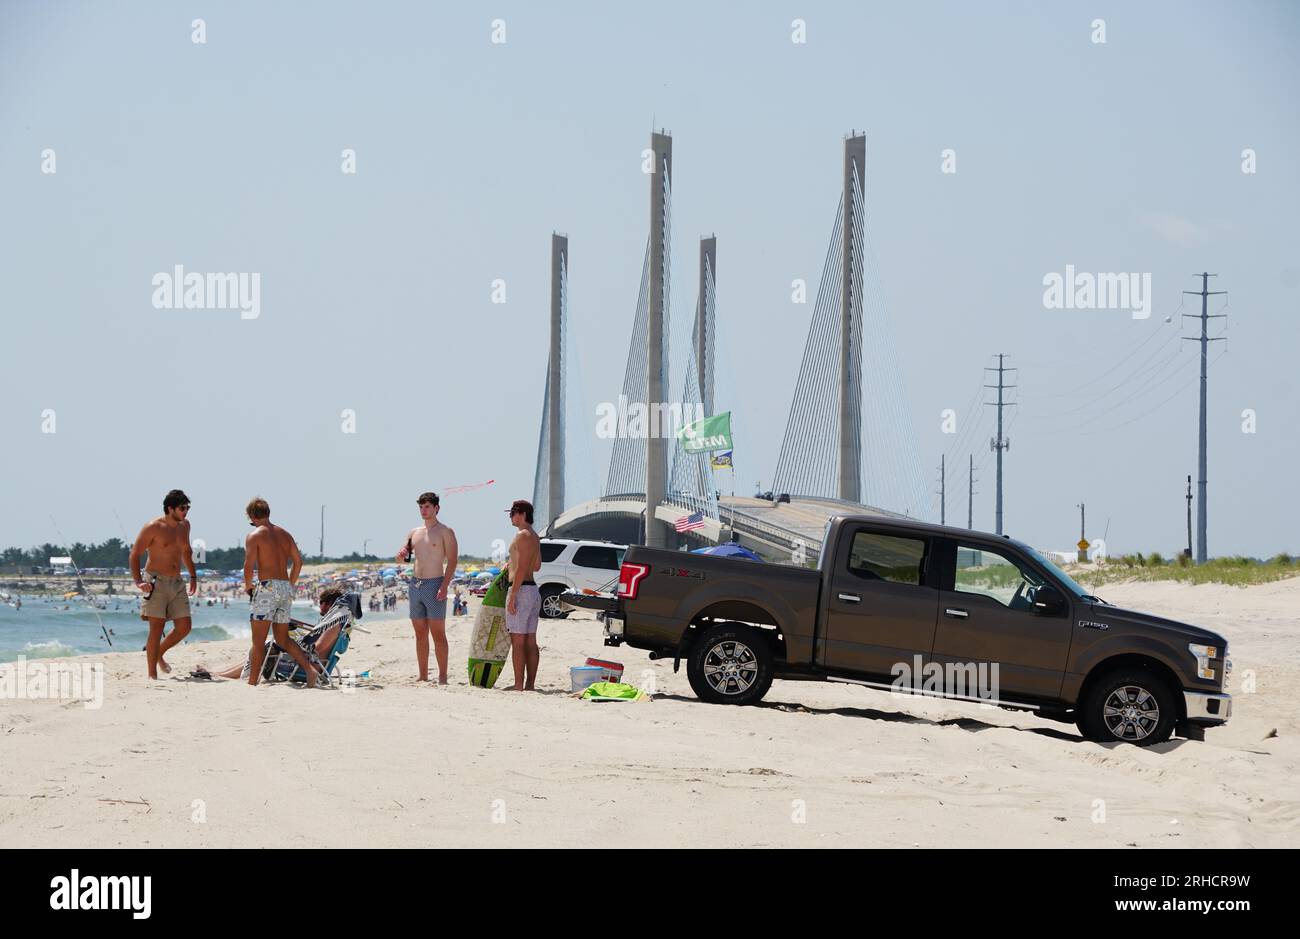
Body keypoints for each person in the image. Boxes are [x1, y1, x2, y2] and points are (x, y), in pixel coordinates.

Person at [243, 497, 319, 687]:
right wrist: (289, 584)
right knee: (282, 638)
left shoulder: (254, 536)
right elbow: (298, 562)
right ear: (268, 513)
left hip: (267, 587)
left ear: (252, 516)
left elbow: (248, 566)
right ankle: (310, 671)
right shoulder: (285, 534)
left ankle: (252, 682)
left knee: (258, 641)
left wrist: (248, 586)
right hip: (284, 587)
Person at [196, 588, 348, 681]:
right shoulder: (336, 624)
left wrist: (294, 644)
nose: (319, 604)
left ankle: (219, 676)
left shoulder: (333, 625)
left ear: (328, 604)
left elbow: (316, 649)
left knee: (263, 650)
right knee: (260, 651)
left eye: (321, 602)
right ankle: (218, 674)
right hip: (312, 662)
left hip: (308, 666)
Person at [129, 489, 197, 679]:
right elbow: (135, 554)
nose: (186, 511)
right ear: (170, 508)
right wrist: (139, 581)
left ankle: (159, 653)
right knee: (156, 629)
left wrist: (193, 576)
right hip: (155, 582)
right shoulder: (153, 527)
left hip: (177, 581)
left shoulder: (185, 526)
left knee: (184, 626)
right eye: (183, 508)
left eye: (187, 507)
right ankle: (152, 674)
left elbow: (186, 552)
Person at [397, 492, 459, 683]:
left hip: (434, 584)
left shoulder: (445, 531)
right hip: (415, 584)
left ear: (436, 508)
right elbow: (402, 559)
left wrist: (444, 585)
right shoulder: (414, 532)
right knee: (420, 632)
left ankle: (442, 676)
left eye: (427, 507)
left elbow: (453, 560)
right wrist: (400, 555)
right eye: (421, 507)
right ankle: (423, 675)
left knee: (438, 632)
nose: (424, 510)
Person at [504, 499, 542, 690]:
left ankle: (518, 684)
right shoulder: (535, 536)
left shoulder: (522, 535)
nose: (510, 517)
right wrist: (512, 563)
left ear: (522, 514)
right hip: (533, 590)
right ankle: (530, 684)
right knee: (530, 640)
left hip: (521, 589)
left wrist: (512, 596)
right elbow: (537, 565)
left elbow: (523, 568)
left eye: (512, 513)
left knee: (518, 641)